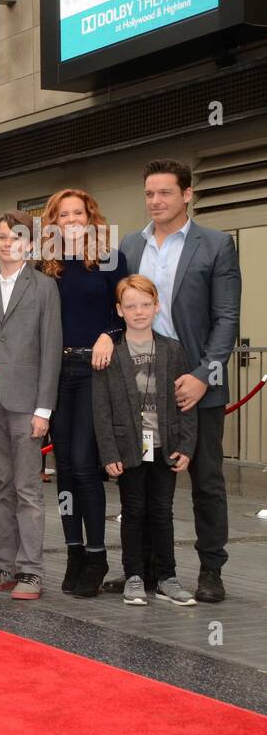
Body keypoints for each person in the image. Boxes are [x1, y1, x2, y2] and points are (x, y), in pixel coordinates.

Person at [119, 159, 241, 603]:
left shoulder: (215, 245)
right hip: (140, 382)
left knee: (206, 479)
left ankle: (212, 570)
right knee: (145, 477)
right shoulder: (130, 245)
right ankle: (147, 570)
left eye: (166, 193)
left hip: (195, 383)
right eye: (149, 193)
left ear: (187, 195)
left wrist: (204, 376)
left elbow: (226, 318)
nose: (156, 201)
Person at [37, 188, 126, 597]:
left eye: (79, 212)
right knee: (64, 469)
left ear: (91, 217)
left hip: (95, 369)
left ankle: (96, 555)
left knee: (85, 464)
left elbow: (124, 311)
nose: (71, 220)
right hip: (56, 372)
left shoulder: (109, 257)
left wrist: (110, 334)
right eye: (63, 214)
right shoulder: (45, 263)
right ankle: (73, 551)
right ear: (52, 222)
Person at [0, 211, 62, 600]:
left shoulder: (44, 287)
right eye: (2, 236)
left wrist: (44, 408)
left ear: (30, 244)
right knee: (0, 489)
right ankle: (3, 564)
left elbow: (51, 347)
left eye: (17, 238)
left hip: (28, 404)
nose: (9, 243)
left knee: (28, 490)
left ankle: (31, 571)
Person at [92, 276, 197, 607]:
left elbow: (186, 403)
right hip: (128, 448)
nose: (139, 311)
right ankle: (134, 576)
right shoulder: (111, 353)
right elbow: (101, 409)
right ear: (119, 311)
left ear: (157, 306)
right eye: (131, 306)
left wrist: (187, 445)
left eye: (145, 304)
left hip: (165, 446)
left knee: (163, 511)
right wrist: (109, 451)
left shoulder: (173, 349)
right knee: (133, 510)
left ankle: (167, 577)